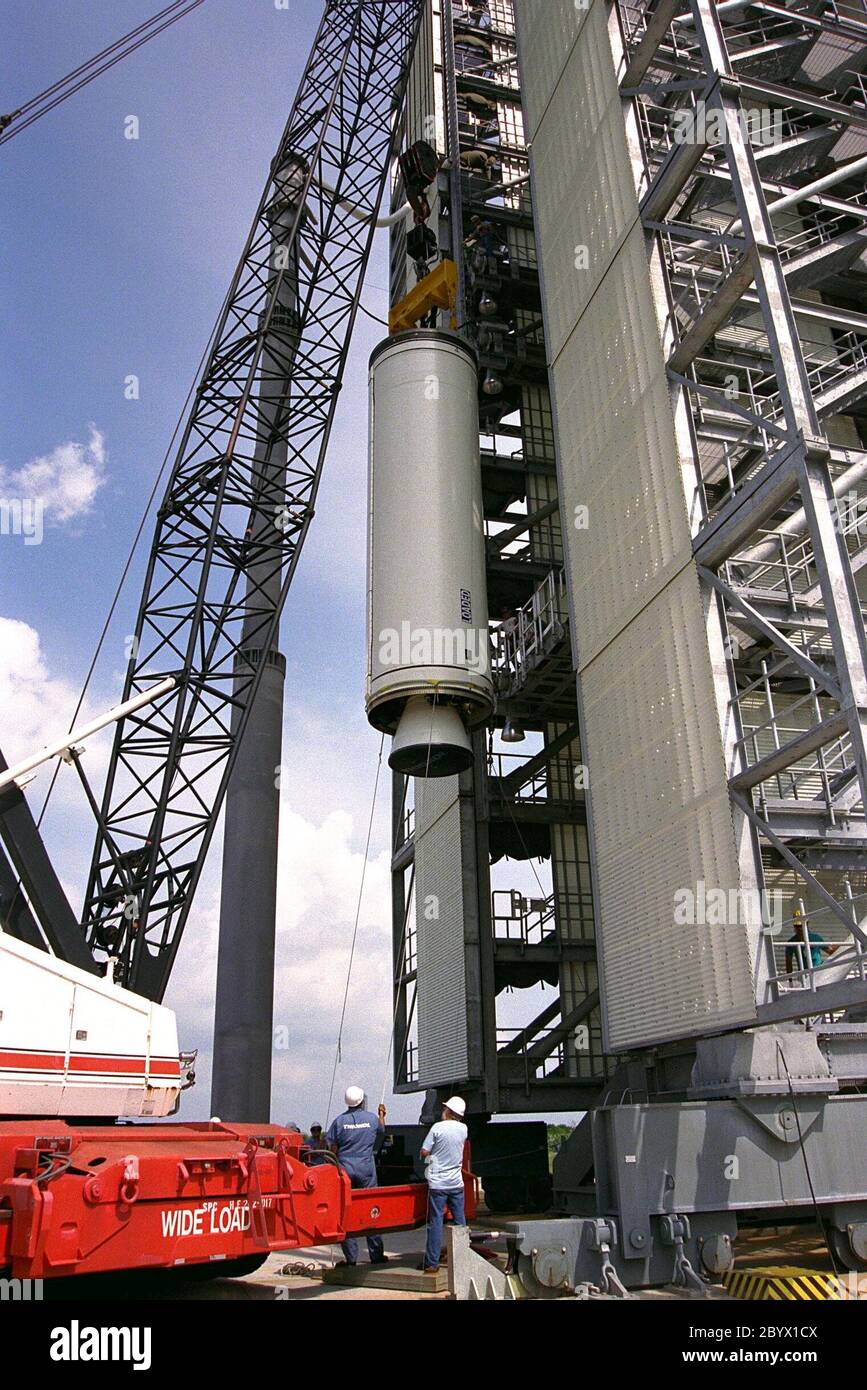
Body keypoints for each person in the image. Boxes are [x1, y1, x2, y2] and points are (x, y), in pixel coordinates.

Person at [326, 1086, 388, 1267]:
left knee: (346, 1213)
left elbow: (332, 1149)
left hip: (345, 1169)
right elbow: (382, 1130)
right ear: (362, 1101)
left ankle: (351, 1258)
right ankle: (376, 1255)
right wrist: (382, 1114)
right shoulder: (372, 1119)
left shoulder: (339, 1122)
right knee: (372, 1210)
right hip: (366, 1169)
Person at [419, 1095, 468, 1274]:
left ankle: (432, 1263)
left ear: (449, 1112)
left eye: (444, 1108)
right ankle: (463, 1256)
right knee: (460, 1220)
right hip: (456, 1183)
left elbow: (425, 1151)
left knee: (435, 1222)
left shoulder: (437, 1128)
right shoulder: (464, 1129)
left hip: (438, 1184)